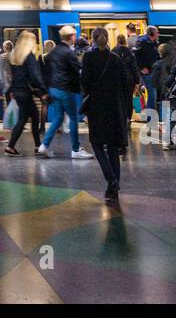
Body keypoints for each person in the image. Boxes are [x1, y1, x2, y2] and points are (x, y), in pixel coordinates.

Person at [81, 28, 135, 202]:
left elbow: (85, 83)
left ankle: (111, 180)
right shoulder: (115, 58)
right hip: (114, 108)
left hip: (96, 108)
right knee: (112, 148)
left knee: (97, 145)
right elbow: (125, 83)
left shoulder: (88, 58)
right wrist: (126, 109)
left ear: (93, 39)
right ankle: (114, 189)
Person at [39, 25, 92, 159]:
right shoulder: (68, 53)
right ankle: (75, 149)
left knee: (58, 118)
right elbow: (78, 69)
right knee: (73, 118)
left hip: (53, 89)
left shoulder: (54, 51)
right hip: (65, 89)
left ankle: (44, 145)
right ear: (71, 37)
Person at [4, 31, 45, 155]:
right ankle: (11, 146)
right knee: (23, 119)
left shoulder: (13, 56)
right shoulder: (28, 55)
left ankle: (37, 146)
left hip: (17, 91)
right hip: (25, 92)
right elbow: (35, 75)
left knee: (33, 116)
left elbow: (11, 76)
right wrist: (44, 89)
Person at [150, 41, 176, 148]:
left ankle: (167, 141)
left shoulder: (158, 64)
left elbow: (153, 81)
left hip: (165, 94)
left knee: (167, 118)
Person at [112, 33, 138, 153]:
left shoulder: (113, 51)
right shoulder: (130, 53)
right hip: (129, 80)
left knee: (119, 100)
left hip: (117, 80)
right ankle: (128, 120)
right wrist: (137, 82)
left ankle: (120, 120)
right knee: (129, 100)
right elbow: (134, 68)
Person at [132, 25, 160, 120]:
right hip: (146, 72)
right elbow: (134, 55)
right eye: (156, 32)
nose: (158, 34)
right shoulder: (142, 42)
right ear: (151, 33)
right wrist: (141, 68)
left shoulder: (155, 43)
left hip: (154, 71)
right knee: (152, 93)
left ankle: (150, 115)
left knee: (154, 94)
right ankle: (150, 117)